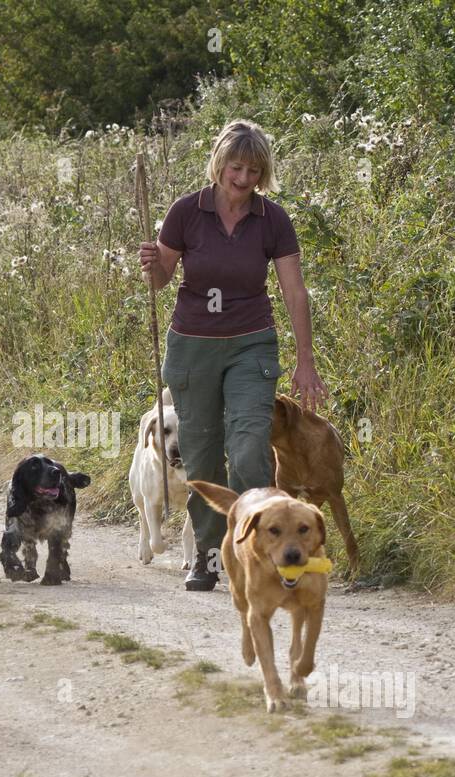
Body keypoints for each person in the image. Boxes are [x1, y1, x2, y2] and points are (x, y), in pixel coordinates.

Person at [138, 118, 328, 591]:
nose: (242, 179)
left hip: (251, 345)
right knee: (201, 458)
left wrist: (306, 363)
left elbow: (295, 293)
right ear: (219, 163)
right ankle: (206, 554)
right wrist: (152, 266)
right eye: (235, 167)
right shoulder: (187, 212)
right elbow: (161, 280)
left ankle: (263, 555)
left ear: (263, 174)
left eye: (253, 170)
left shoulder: (273, 221)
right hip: (192, 346)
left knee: (248, 451)